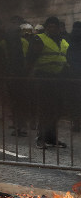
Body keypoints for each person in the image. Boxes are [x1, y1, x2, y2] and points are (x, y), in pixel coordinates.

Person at [26, 16, 69, 148]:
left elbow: (64, 59)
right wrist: (30, 75)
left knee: (57, 109)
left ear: (59, 28)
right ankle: (41, 138)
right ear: (46, 28)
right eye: (49, 26)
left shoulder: (63, 42)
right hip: (43, 78)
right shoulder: (39, 39)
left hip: (58, 79)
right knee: (45, 109)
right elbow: (31, 58)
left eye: (54, 26)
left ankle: (51, 138)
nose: (52, 29)